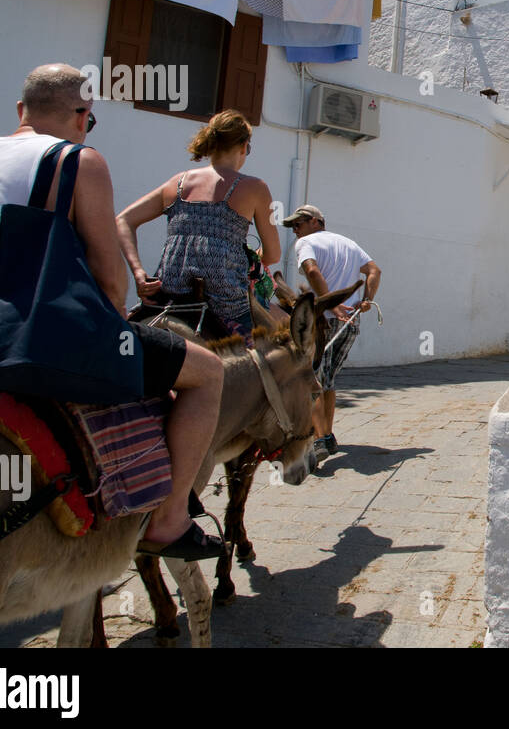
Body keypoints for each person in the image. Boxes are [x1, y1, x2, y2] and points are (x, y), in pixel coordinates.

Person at [0, 64, 225, 560]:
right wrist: (118, 337)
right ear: (83, 114)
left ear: (21, 111)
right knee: (208, 372)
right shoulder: (78, 160)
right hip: (18, 342)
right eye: (90, 119)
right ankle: (170, 522)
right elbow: (111, 280)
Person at [116, 110, 280, 340]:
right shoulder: (256, 187)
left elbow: (123, 220)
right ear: (243, 146)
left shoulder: (179, 181)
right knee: (267, 362)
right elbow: (273, 255)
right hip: (225, 303)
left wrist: (139, 273)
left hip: (168, 294)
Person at [280, 204, 379, 464]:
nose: (295, 231)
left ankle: (318, 439)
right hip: (349, 321)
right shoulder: (348, 243)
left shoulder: (306, 243)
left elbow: (312, 270)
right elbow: (374, 271)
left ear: (315, 221)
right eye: (292, 227)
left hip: (323, 321)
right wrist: (366, 301)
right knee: (328, 378)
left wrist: (330, 304)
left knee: (311, 379)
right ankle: (328, 435)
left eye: (298, 224)